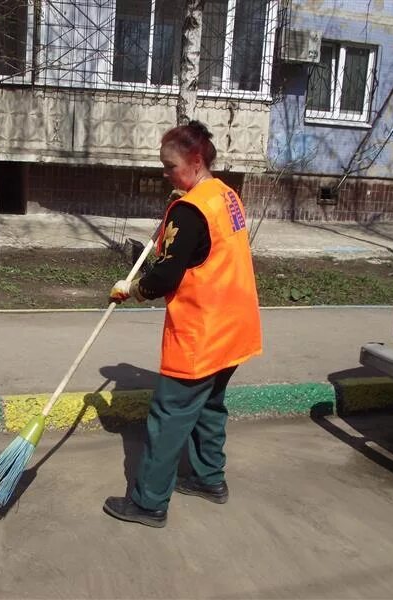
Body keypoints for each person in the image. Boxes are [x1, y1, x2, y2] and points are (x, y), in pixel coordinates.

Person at [102, 121, 262, 528]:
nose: (164, 174)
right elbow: (201, 250)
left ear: (194, 161)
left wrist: (133, 288)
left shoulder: (189, 210)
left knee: (169, 418)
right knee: (209, 407)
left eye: (169, 166)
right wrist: (177, 217)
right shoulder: (225, 196)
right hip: (235, 329)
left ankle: (149, 503)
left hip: (201, 336)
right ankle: (210, 479)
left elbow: (166, 277)